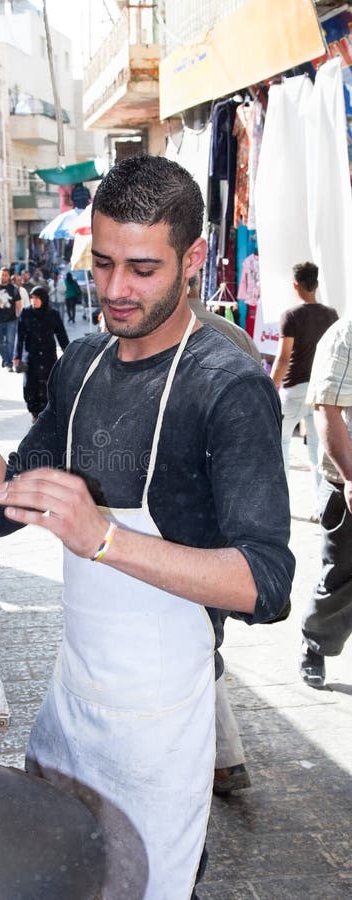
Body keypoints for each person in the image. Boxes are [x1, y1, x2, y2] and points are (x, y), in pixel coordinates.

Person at [0, 155, 294, 899]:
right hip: (74, 706)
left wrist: (104, 538)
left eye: (141, 269)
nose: (112, 290)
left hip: (160, 728)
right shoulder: (81, 365)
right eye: (101, 263)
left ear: (192, 258)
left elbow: (266, 582)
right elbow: (2, 508)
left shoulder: (226, 388)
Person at [188, 272, 259, 796]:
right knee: (201, 627)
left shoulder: (157, 339)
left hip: (188, 514)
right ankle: (223, 754)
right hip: (221, 510)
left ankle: (217, 755)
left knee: (194, 632)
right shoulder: (236, 337)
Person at [300, 318, 352, 688]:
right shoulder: (344, 335)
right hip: (345, 482)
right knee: (341, 578)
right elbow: (326, 408)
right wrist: (350, 476)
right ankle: (314, 643)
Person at [270, 262, 338, 517]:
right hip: (320, 390)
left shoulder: (291, 316)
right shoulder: (331, 315)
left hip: (293, 389)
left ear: (296, 285)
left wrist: (270, 384)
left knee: (280, 444)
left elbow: (284, 358)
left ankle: (280, 506)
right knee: (317, 451)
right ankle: (321, 508)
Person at [13, 285, 69, 423]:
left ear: (44, 299)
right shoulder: (25, 313)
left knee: (47, 385)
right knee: (29, 386)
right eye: (32, 298)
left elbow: (61, 335)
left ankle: (45, 413)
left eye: (37, 298)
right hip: (30, 356)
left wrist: (69, 353)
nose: (34, 301)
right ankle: (34, 412)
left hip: (48, 355)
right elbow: (19, 336)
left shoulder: (53, 314)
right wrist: (17, 356)